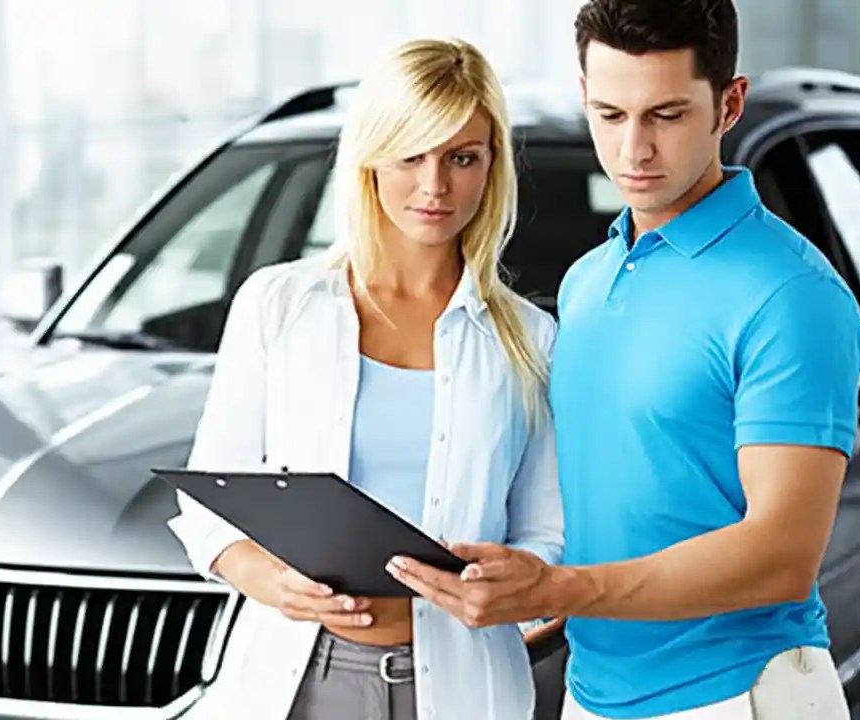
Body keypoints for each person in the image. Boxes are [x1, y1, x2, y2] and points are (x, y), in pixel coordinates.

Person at [388, 2, 860, 719]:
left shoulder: (789, 294)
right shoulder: (588, 280)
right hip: (594, 691)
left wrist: (561, 587)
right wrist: (525, 583)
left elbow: (782, 555)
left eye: (666, 116)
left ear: (728, 103)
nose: (634, 151)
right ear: (584, 98)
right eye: (610, 115)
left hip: (738, 692)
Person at [166, 38, 563, 720]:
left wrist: (511, 579)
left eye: (461, 158)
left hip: (465, 688)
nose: (434, 186)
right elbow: (210, 506)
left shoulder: (529, 341)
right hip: (299, 679)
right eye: (411, 154)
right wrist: (273, 582)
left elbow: (546, 532)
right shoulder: (280, 306)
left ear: (491, 165)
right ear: (371, 157)